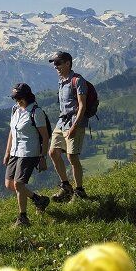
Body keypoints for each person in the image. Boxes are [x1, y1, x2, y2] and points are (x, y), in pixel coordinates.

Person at [2, 83, 51, 226]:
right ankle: (38, 200)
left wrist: (42, 157)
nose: (17, 101)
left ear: (26, 97)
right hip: (14, 152)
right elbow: (12, 132)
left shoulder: (36, 112)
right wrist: (7, 152)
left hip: (29, 152)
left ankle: (23, 218)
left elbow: (45, 137)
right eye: (15, 98)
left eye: (19, 98)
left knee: (18, 184)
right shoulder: (15, 110)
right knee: (9, 184)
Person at [47, 52, 89, 200]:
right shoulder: (61, 81)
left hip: (74, 123)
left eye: (58, 63)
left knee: (72, 156)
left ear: (68, 63)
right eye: (54, 64)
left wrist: (74, 127)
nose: (55, 66)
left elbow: (82, 106)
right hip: (62, 122)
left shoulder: (77, 80)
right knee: (53, 152)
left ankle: (79, 191)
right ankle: (66, 187)